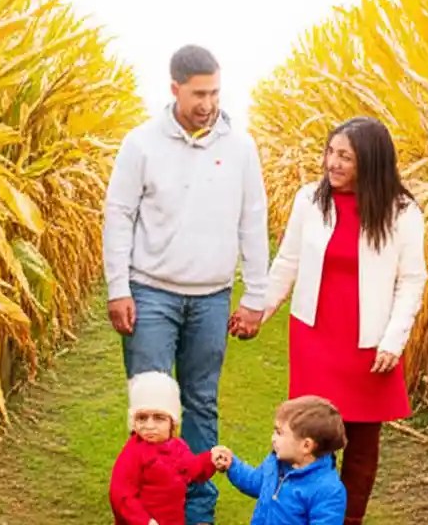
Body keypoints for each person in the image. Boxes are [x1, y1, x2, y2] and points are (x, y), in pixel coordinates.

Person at [102, 44, 270, 524]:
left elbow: (253, 221)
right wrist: (119, 287)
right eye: (198, 93)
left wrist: (254, 296)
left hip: (212, 295)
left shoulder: (240, 148)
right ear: (174, 88)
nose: (208, 103)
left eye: (215, 92)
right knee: (150, 403)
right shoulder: (141, 144)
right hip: (150, 290)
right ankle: (137, 508)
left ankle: (196, 512)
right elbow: (119, 216)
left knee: (200, 402)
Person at [261, 116, 428, 525]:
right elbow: (288, 261)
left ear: (370, 163)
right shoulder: (309, 200)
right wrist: (257, 311)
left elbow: (411, 280)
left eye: (345, 157)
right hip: (315, 335)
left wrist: (394, 340)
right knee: (308, 436)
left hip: (370, 342)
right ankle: (294, 515)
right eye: (330, 152)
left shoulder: (402, 212)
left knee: (362, 445)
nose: (331, 163)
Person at [209, 395, 348, 524]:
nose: (273, 438)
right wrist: (233, 465)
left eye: (279, 432)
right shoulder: (275, 463)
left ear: (306, 445)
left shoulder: (327, 491)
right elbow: (256, 482)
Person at [110, 371, 220, 525]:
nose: (149, 426)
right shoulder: (133, 453)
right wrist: (144, 520)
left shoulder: (177, 446)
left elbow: (193, 469)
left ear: (172, 423)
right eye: (142, 418)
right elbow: (121, 494)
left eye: (158, 418)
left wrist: (211, 459)